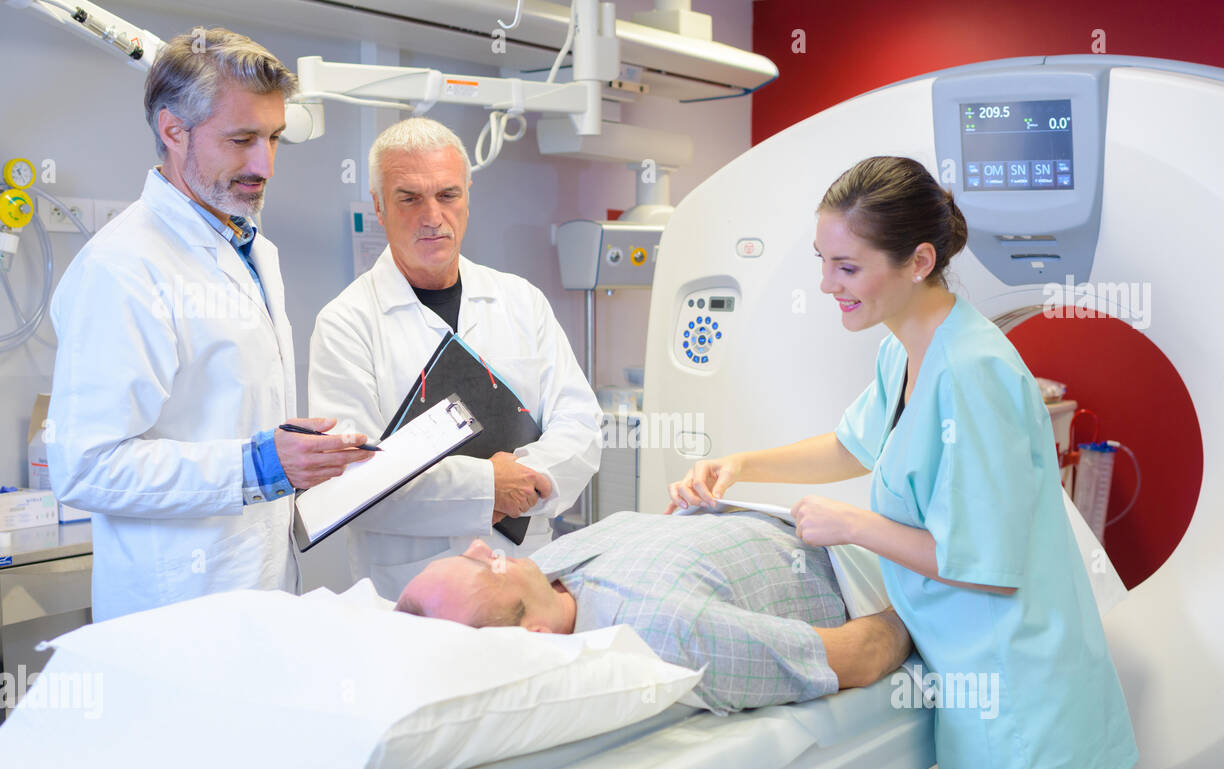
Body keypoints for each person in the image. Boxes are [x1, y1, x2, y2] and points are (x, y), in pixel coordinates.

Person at [667, 157, 1139, 769]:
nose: (827, 284)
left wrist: (851, 524)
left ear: (920, 260)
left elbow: (985, 565)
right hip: (980, 678)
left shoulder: (973, 372)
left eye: (848, 268)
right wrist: (743, 463)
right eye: (823, 262)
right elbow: (855, 442)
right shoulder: (908, 349)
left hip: (1019, 697)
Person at [47, 29, 374, 621]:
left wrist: (289, 447)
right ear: (174, 131)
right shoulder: (122, 268)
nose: (265, 163)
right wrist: (257, 465)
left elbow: (218, 411)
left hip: (260, 589)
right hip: (175, 609)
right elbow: (85, 467)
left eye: (274, 138)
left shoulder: (249, 248)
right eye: (242, 139)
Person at [309, 117, 602, 600]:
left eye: (447, 195)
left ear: (467, 196)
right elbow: (356, 479)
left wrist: (527, 479)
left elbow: (580, 423)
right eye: (409, 198)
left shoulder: (520, 300)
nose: (432, 216)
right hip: (410, 588)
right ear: (379, 207)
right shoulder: (346, 322)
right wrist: (490, 485)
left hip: (527, 569)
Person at [395, 509, 914, 715]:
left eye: (468, 554)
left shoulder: (550, 566)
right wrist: (919, 609)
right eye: (485, 569)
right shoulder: (663, 632)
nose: (483, 546)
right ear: (532, 633)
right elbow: (861, 656)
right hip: (870, 564)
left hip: (809, 512)